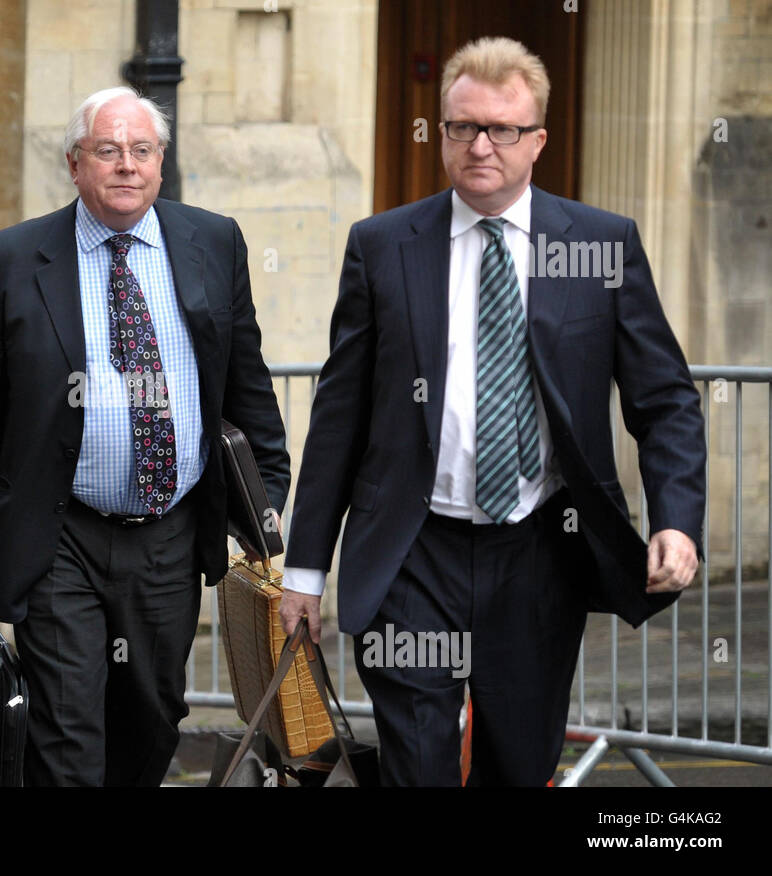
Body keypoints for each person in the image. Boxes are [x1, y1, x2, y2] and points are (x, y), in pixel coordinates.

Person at [281, 36, 706, 786]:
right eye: (462, 126)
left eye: (502, 129)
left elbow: (664, 397)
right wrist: (306, 571)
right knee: (417, 762)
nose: (481, 145)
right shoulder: (383, 248)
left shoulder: (602, 246)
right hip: (413, 552)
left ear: (537, 140)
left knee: (518, 763)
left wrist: (675, 518)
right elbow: (339, 413)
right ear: (441, 131)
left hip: (539, 553)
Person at [0, 86, 289, 786]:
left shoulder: (212, 241)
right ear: (74, 164)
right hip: (59, 532)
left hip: (170, 532)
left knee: (152, 718)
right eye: (107, 151)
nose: (126, 165)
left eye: (141, 150)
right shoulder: (10, 259)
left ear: (160, 161)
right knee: (66, 733)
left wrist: (265, 503)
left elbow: (248, 384)